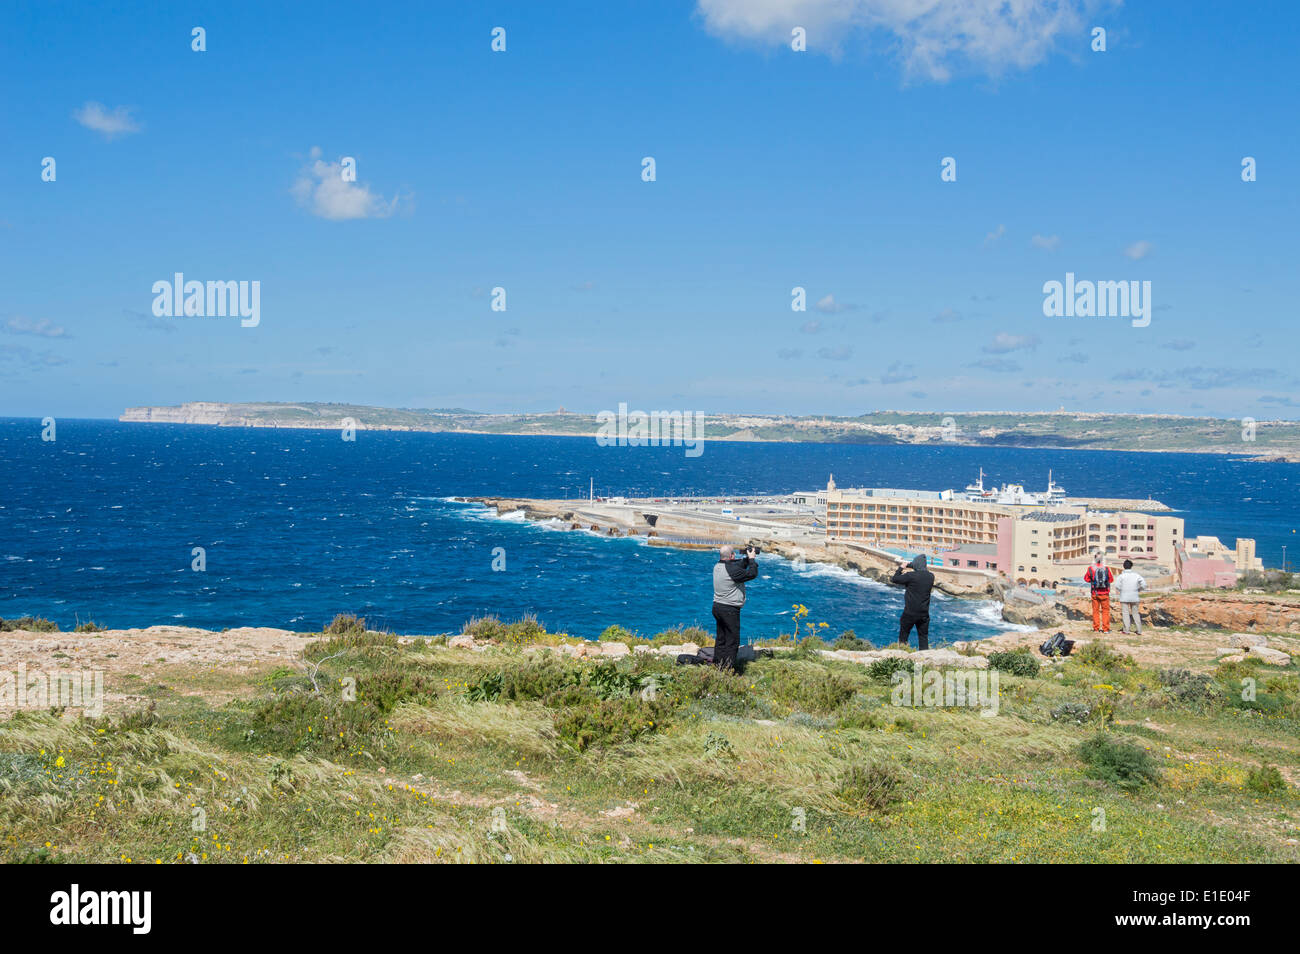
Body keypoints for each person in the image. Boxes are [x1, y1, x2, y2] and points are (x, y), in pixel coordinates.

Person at [712, 544, 758, 670]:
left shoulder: (717, 566)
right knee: (732, 641)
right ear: (732, 555)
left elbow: (734, 566)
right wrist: (752, 559)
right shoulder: (732, 570)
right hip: (729, 610)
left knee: (721, 639)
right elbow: (752, 573)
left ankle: (718, 666)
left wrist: (746, 559)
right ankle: (727, 670)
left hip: (717, 607)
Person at [890, 554, 934, 650]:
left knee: (903, 636)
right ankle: (924, 658)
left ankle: (902, 655)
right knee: (923, 637)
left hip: (910, 613)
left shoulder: (911, 576)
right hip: (924, 613)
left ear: (916, 564)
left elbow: (895, 579)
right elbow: (921, 572)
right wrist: (913, 565)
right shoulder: (931, 576)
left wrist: (901, 567)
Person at [1115, 558, 1147, 634]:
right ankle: (1139, 630)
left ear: (1124, 566)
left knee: (1125, 614)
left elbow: (1117, 586)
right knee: (1135, 613)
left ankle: (1126, 630)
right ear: (1131, 566)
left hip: (1124, 597)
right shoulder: (1136, 575)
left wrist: (1122, 590)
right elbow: (1144, 585)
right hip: (1135, 597)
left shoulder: (1121, 576)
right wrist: (1138, 589)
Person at [1084, 553, 1114, 633]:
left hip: (1095, 592)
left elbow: (1086, 579)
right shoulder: (1106, 569)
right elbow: (1111, 580)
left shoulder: (1090, 568)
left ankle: (1096, 628)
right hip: (1105, 593)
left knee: (1095, 611)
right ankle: (1105, 629)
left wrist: (1093, 581)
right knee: (1105, 611)